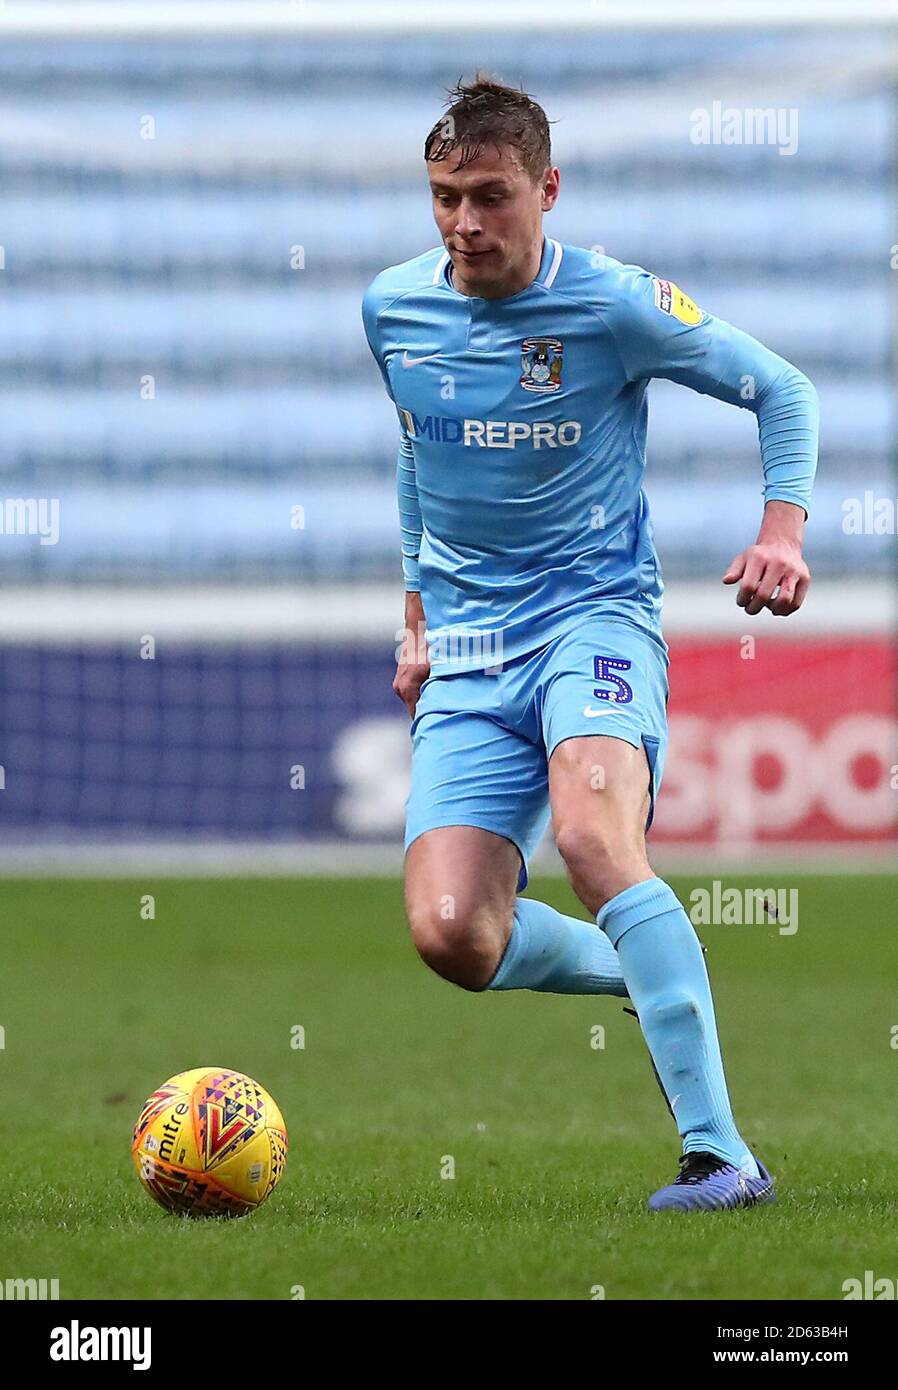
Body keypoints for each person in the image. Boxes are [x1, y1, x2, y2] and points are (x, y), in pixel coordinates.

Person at [362, 73, 817, 1211]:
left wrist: (781, 530)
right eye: (443, 197)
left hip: (591, 619)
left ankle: (720, 1157)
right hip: (467, 650)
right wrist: (417, 608)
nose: (463, 222)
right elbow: (419, 454)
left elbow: (781, 389)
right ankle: (650, 967)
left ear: (546, 189)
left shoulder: (615, 305)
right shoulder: (391, 309)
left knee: (591, 836)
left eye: (489, 195)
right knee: (452, 933)